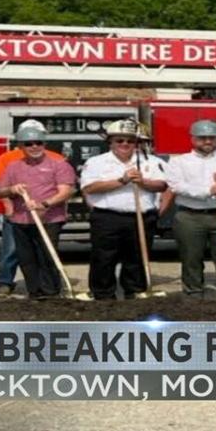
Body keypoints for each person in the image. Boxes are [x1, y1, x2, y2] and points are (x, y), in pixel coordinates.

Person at [80, 119, 167, 299]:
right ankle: (103, 294)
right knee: (104, 258)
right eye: (119, 140)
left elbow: (162, 185)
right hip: (108, 217)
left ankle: (135, 291)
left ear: (136, 143)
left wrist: (143, 182)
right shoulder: (96, 162)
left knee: (137, 257)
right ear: (110, 142)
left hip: (141, 216)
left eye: (130, 140)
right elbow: (89, 188)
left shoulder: (152, 161)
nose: (125, 144)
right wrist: (122, 181)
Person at [164, 119, 216, 295]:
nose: (208, 142)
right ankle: (193, 290)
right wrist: (208, 190)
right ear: (193, 138)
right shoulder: (179, 162)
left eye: (212, 138)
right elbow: (177, 186)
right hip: (190, 215)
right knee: (191, 257)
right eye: (202, 138)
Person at [0, 125, 76, 299]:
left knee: (47, 255)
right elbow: (0, 191)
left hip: (50, 219)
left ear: (44, 144)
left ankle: (51, 292)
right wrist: (12, 190)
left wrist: (44, 204)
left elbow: (65, 191)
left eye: (38, 143)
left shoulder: (58, 164)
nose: (34, 147)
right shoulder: (13, 166)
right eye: (29, 143)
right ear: (21, 146)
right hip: (21, 220)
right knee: (27, 258)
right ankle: (35, 292)